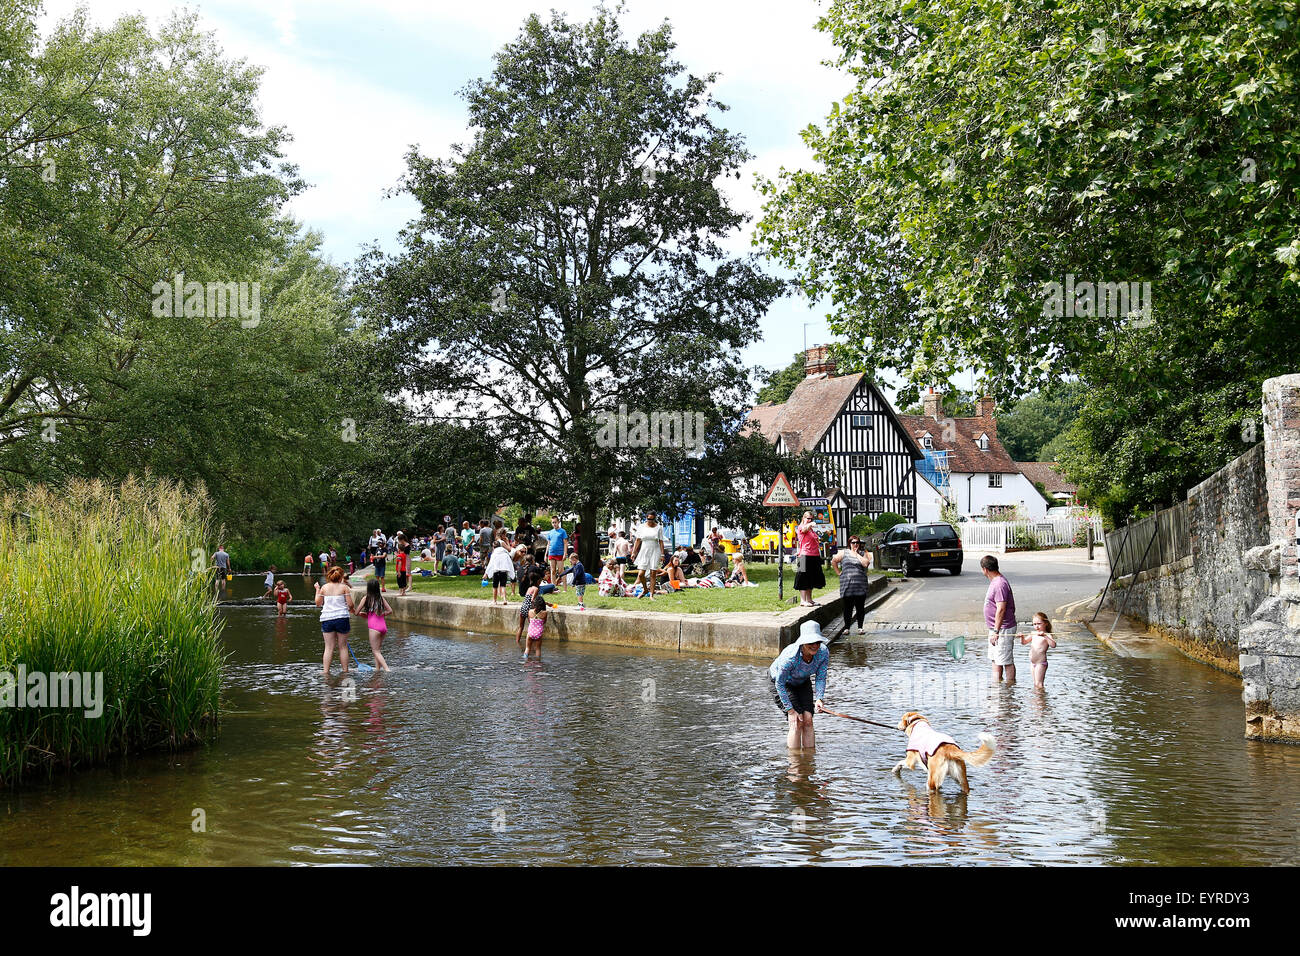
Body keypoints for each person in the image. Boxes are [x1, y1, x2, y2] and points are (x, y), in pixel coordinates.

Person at [770, 621, 829, 751]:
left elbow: (820, 677)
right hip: (782, 683)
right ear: (803, 643)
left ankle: (809, 763)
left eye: (818, 642)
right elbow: (779, 683)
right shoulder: (790, 657)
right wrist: (790, 710)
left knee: (808, 719)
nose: (815, 646)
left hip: (802, 680)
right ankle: (795, 765)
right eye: (810, 643)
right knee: (796, 721)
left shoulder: (823, 652)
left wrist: (819, 698)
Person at [314, 566, 357, 675]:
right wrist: (352, 609)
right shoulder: (344, 588)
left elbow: (318, 603)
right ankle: (345, 670)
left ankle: (325, 671)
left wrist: (317, 590)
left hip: (327, 619)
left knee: (328, 647)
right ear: (341, 577)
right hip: (342, 618)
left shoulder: (324, 587)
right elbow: (350, 604)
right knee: (342, 647)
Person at [981, 554, 1018, 683]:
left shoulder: (1000, 584)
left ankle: (1009, 689)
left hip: (1003, 628)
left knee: (1006, 660)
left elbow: (1001, 608)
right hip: (995, 628)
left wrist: (996, 631)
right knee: (996, 659)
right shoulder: (996, 582)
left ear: (985, 569)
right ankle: (997, 688)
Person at [831, 535, 872, 635]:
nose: (855, 544)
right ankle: (847, 628)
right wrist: (838, 573)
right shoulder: (844, 552)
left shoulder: (863, 553)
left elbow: (866, 564)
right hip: (847, 585)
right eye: (853, 543)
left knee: (860, 607)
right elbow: (834, 561)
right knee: (847, 607)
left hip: (860, 585)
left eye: (857, 542)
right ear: (849, 543)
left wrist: (856, 554)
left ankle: (860, 627)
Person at [356, 579, 392, 671]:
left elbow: (356, 612)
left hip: (374, 627)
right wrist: (381, 614)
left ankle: (387, 669)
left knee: (375, 650)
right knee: (378, 650)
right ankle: (377, 669)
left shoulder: (366, 598)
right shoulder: (381, 598)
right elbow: (390, 611)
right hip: (383, 626)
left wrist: (361, 613)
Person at [630, 511, 667, 600]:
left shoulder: (659, 527)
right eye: (648, 519)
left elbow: (661, 541)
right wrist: (634, 552)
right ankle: (645, 590)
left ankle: (651, 594)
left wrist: (662, 554)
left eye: (652, 519)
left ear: (654, 518)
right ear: (646, 518)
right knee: (641, 574)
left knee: (653, 573)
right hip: (644, 550)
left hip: (655, 550)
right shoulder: (641, 527)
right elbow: (638, 540)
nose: (650, 520)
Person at [793, 511, 825, 607]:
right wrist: (810, 524)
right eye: (808, 518)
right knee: (803, 577)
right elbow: (804, 529)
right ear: (804, 518)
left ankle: (809, 600)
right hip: (804, 555)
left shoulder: (811, 530)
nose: (810, 520)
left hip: (814, 555)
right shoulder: (801, 527)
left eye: (811, 519)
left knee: (812, 578)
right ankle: (803, 600)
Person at [1020, 612, 1056, 688]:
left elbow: (1053, 645)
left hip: (1041, 663)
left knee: (1039, 684)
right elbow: (1024, 642)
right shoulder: (1033, 633)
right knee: (1035, 684)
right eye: (1034, 624)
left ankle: (1041, 699)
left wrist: (1045, 636)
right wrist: (1021, 637)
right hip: (1033, 663)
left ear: (1045, 623)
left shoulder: (1047, 635)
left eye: (1039, 624)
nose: (1037, 626)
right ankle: (1037, 699)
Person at [486, 540, 517, 605]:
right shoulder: (505, 554)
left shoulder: (494, 554)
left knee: (495, 587)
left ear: (494, 547)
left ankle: (494, 600)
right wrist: (512, 573)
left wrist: (486, 573)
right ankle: (504, 599)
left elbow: (490, 564)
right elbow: (510, 563)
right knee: (503, 586)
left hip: (496, 572)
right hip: (504, 572)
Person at [544, 516, 568, 589]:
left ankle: (565, 588)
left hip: (560, 553)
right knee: (553, 570)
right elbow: (548, 544)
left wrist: (565, 553)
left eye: (555, 522)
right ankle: (553, 587)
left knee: (561, 571)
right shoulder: (550, 532)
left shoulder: (562, 531)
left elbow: (565, 543)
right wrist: (546, 554)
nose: (554, 524)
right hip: (552, 553)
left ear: (558, 522)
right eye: (553, 522)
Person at [525, 588, 549, 659]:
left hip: (530, 633)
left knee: (527, 648)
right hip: (538, 633)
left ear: (534, 604)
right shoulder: (545, 613)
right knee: (538, 649)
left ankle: (525, 660)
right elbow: (544, 622)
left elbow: (529, 621)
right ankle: (538, 662)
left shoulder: (530, 611)